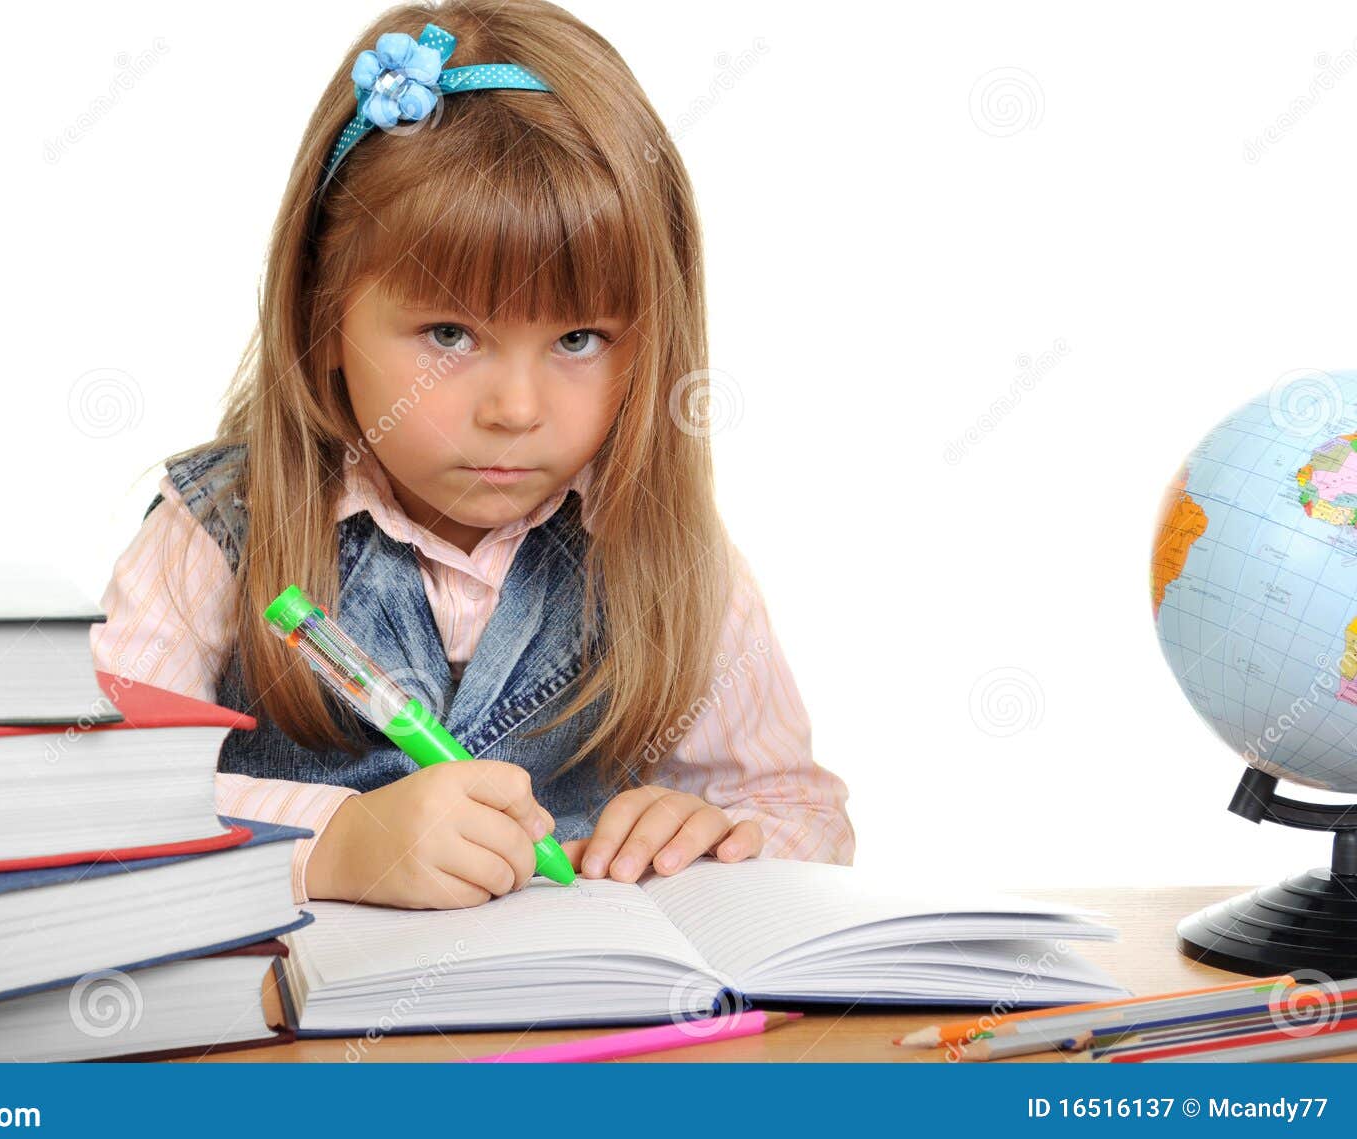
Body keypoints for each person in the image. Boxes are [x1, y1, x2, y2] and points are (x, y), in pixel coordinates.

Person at [90, 0, 853, 910]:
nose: (516, 409)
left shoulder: (670, 559)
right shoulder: (218, 533)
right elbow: (100, 799)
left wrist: (724, 840)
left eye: (578, 339)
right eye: (450, 332)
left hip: (581, 1043)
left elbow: (801, 813)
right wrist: (333, 844)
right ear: (321, 314)